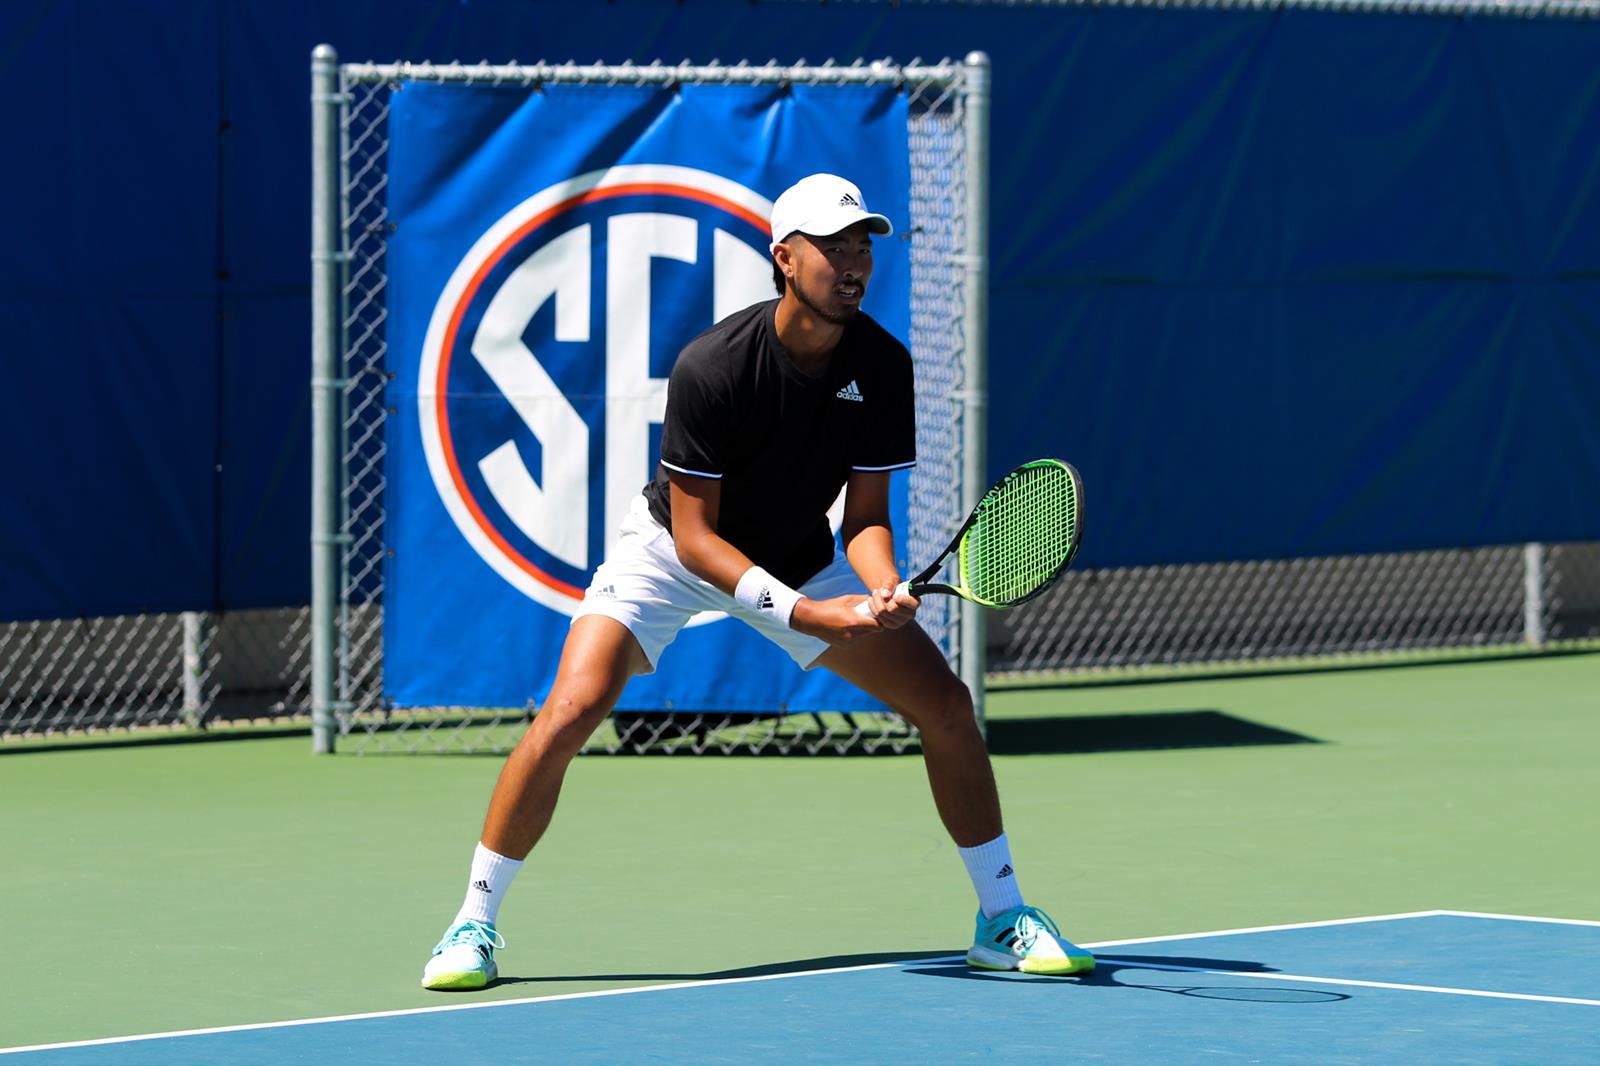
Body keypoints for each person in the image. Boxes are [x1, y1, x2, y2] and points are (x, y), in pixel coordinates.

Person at [421, 173, 1094, 990]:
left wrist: (878, 588)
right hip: (673, 553)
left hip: (802, 552)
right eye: (832, 247)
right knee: (571, 708)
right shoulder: (713, 366)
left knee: (947, 706)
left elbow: (866, 517)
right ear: (784, 257)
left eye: (862, 247)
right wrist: (807, 612)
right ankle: (473, 924)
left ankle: (1002, 916)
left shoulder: (882, 364)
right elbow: (699, 539)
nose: (853, 264)